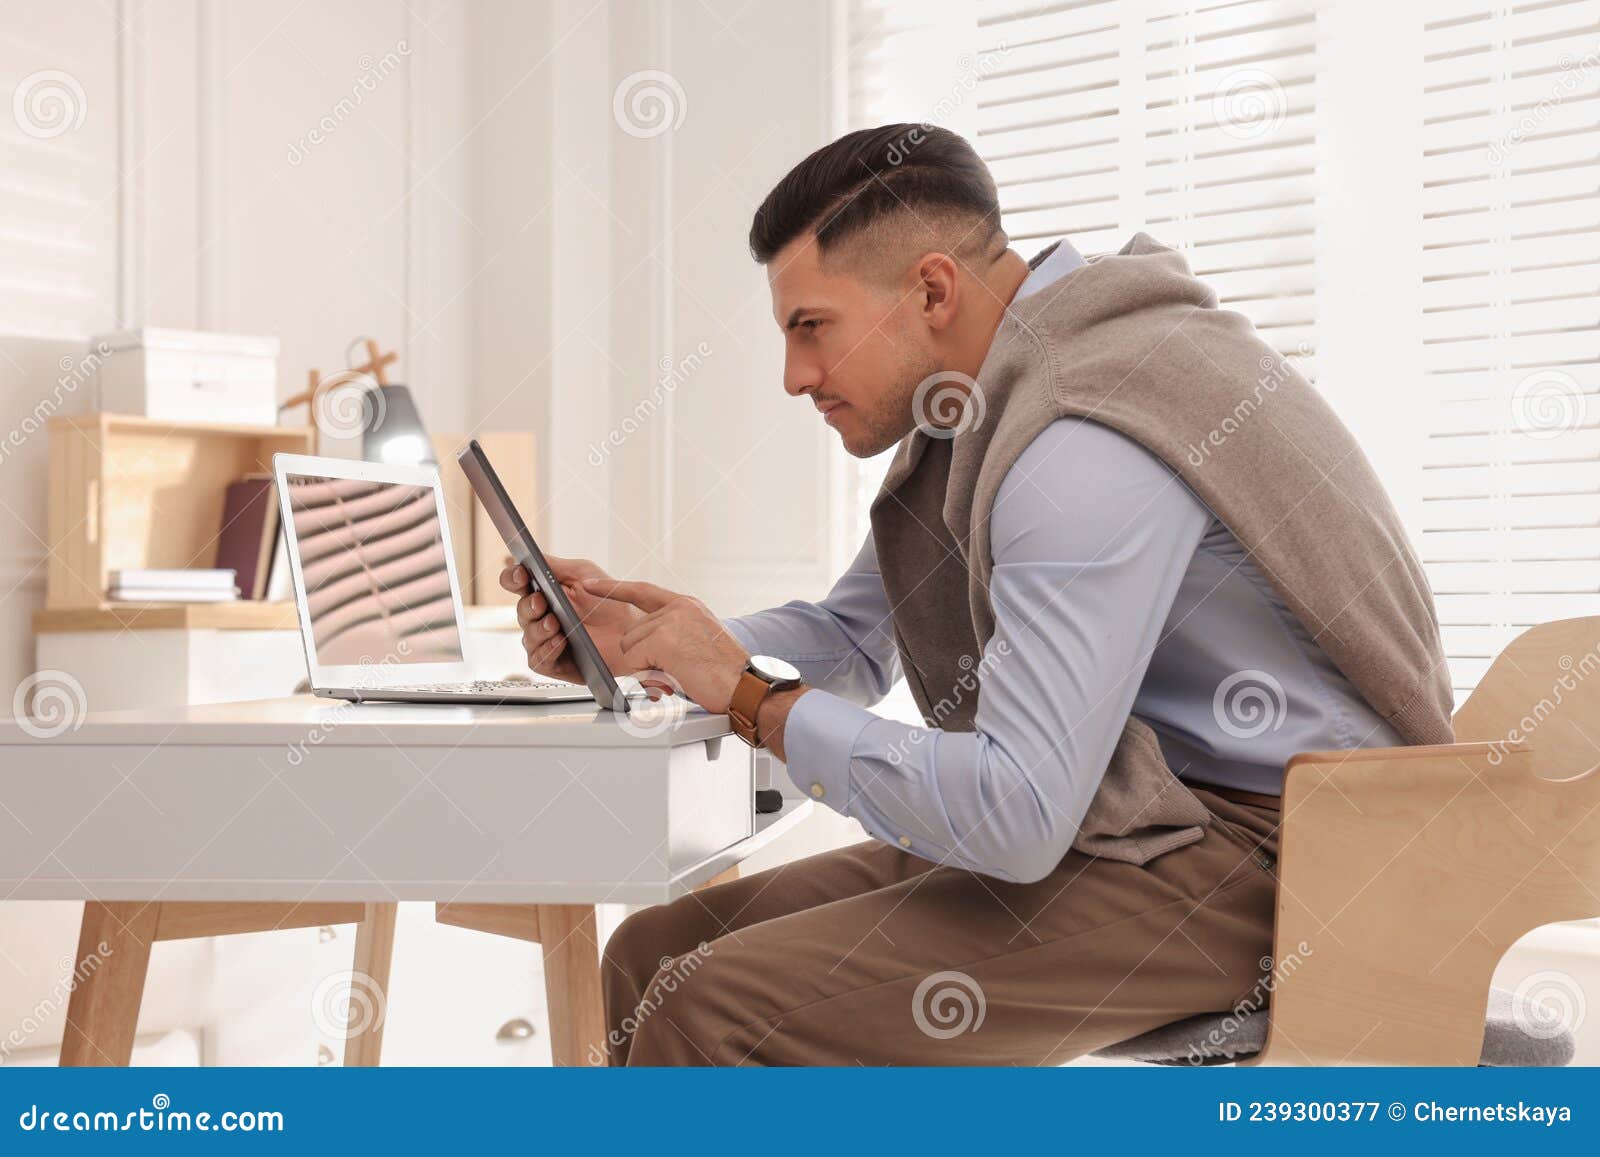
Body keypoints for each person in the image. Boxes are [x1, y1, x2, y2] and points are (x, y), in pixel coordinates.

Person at [500, 124, 1452, 1066]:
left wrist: (754, 701)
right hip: (1144, 817)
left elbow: (1019, 812)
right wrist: (662, 643)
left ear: (930, 289)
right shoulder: (984, 411)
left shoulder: (1084, 436)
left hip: (1297, 861)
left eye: (810, 328)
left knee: (712, 1007)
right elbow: (851, 634)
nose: (795, 377)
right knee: (649, 955)